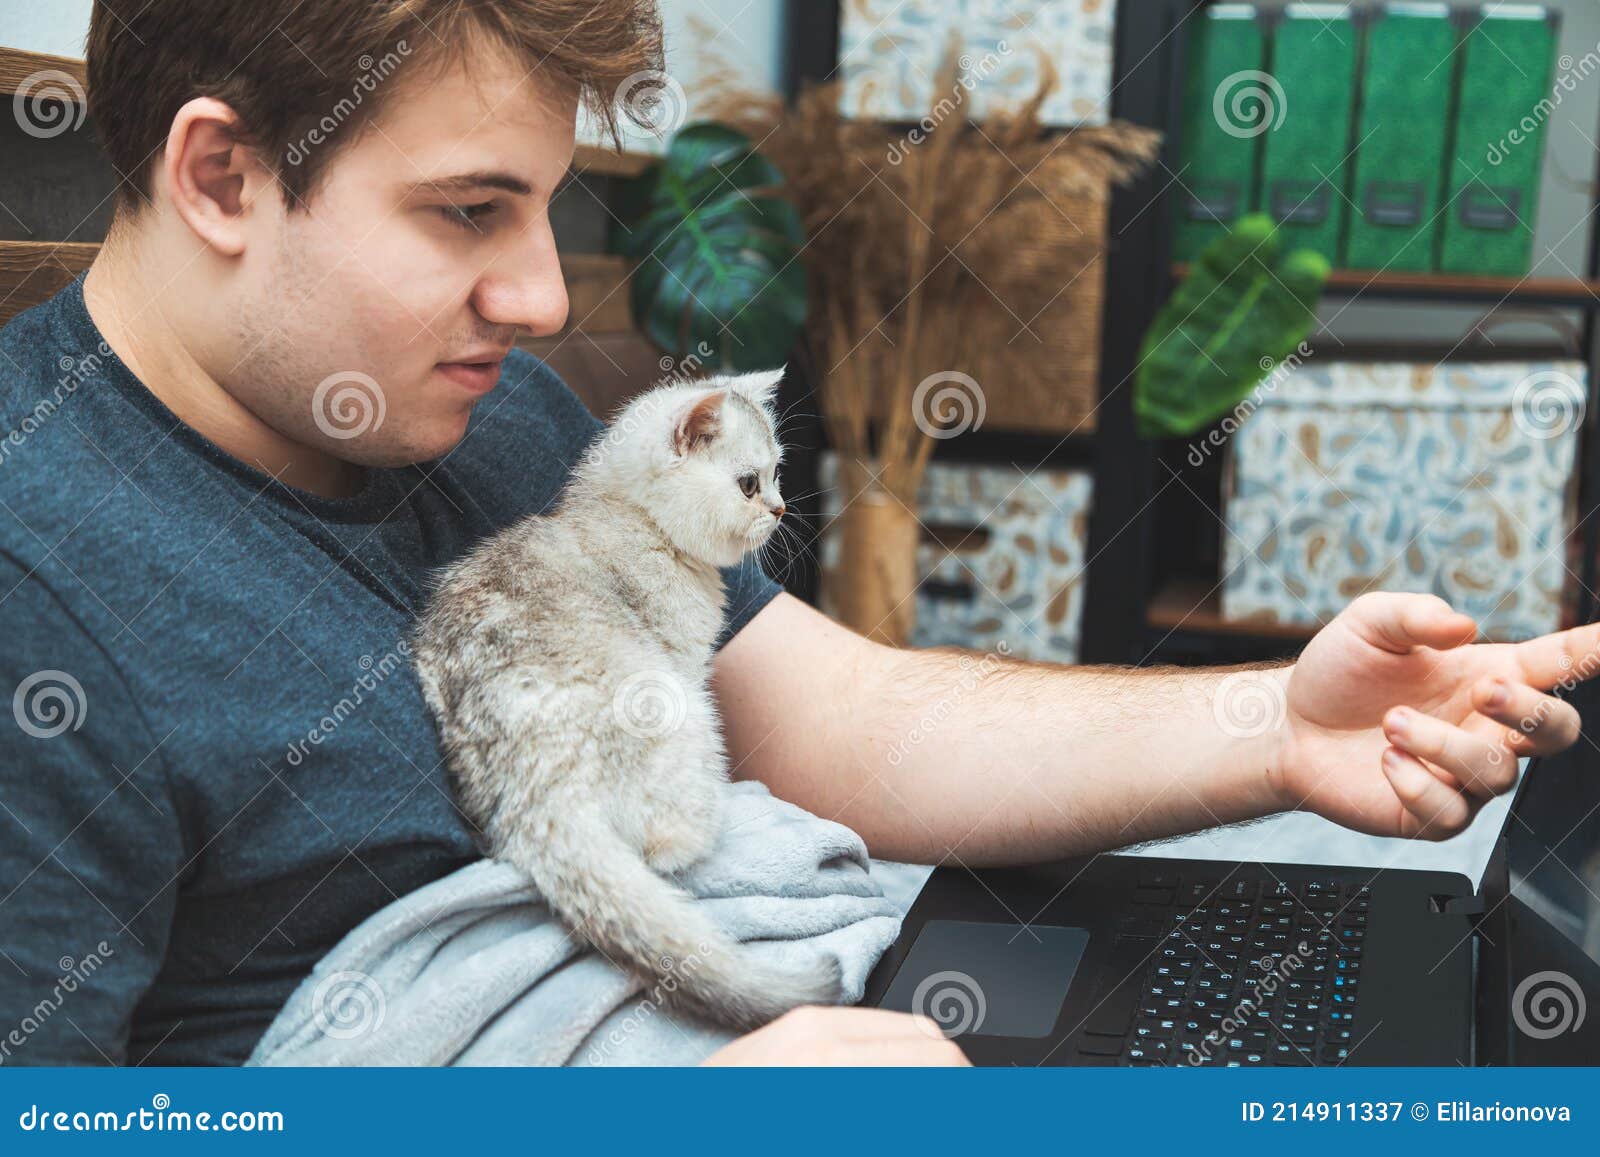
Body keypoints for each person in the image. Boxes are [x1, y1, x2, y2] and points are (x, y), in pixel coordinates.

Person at [0, 0, 1590, 1068]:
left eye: (555, 212)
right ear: (221, 172)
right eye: (470, 212)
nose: (546, 297)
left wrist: (1275, 724)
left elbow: (837, 713)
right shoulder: (40, 582)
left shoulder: (506, 421)